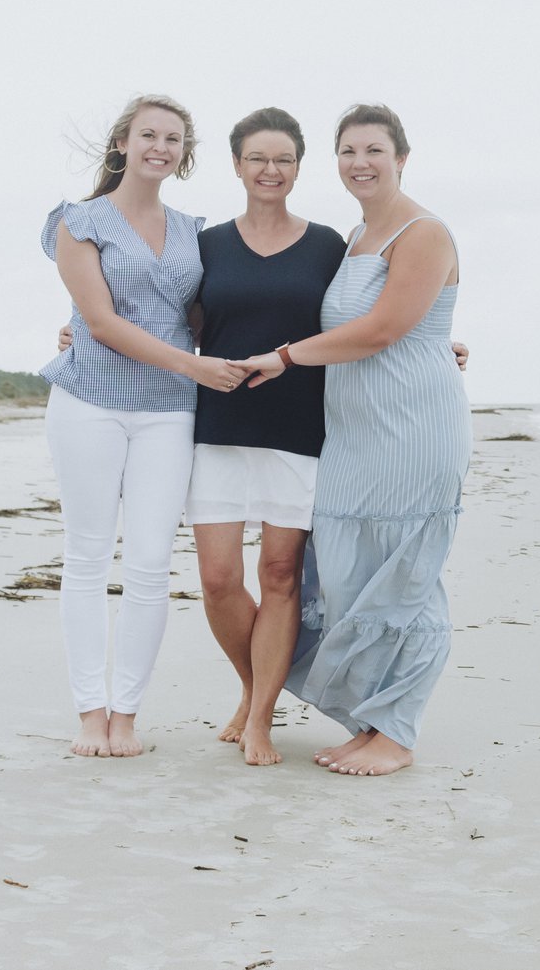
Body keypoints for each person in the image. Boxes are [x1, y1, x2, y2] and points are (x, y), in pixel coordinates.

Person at [236, 104, 471, 777]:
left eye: (373, 150)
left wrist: (283, 357)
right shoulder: (357, 235)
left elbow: (382, 329)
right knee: (348, 576)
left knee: (405, 578)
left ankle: (396, 731)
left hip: (413, 429)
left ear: (402, 158)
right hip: (352, 432)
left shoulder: (425, 232)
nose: (360, 162)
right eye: (348, 151)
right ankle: (371, 719)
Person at [40, 95, 245, 758]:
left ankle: (126, 717)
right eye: (149, 134)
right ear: (122, 143)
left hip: (168, 412)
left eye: (173, 139)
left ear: (185, 155)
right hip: (90, 401)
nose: (160, 146)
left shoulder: (194, 232)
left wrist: (425, 342)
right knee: (87, 555)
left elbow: (214, 316)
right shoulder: (79, 220)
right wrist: (193, 364)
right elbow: (100, 322)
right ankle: (89, 714)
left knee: (152, 564)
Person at [183, 108, 345, 766]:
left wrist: (434, 346)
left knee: (279, 575)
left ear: (299, 167)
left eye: (283, 159)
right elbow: (167, 319)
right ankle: (255, 689)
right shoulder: (206, 246)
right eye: (258, 158)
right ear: (237, 165)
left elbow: (361, 319)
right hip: (219, 424)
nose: (270, 170)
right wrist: (79, 332)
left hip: (297, 425)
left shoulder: (328, 246)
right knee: (218, 578)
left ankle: (259, 719)